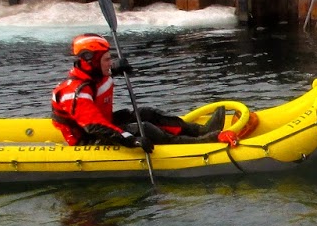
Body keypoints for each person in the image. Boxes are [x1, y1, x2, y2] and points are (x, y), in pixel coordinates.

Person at [50, 34, 224, 149]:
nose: (111, 62)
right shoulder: (75, 93)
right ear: (91, 62)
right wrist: (131, 139)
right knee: (145, 129)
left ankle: (199, 130)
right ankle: (197, 144)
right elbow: (95, 126)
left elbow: (99, 81)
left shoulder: (93, 74)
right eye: (107, 59)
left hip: (104, 122)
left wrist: (117, 68)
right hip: (86, 138)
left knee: (146, 113)